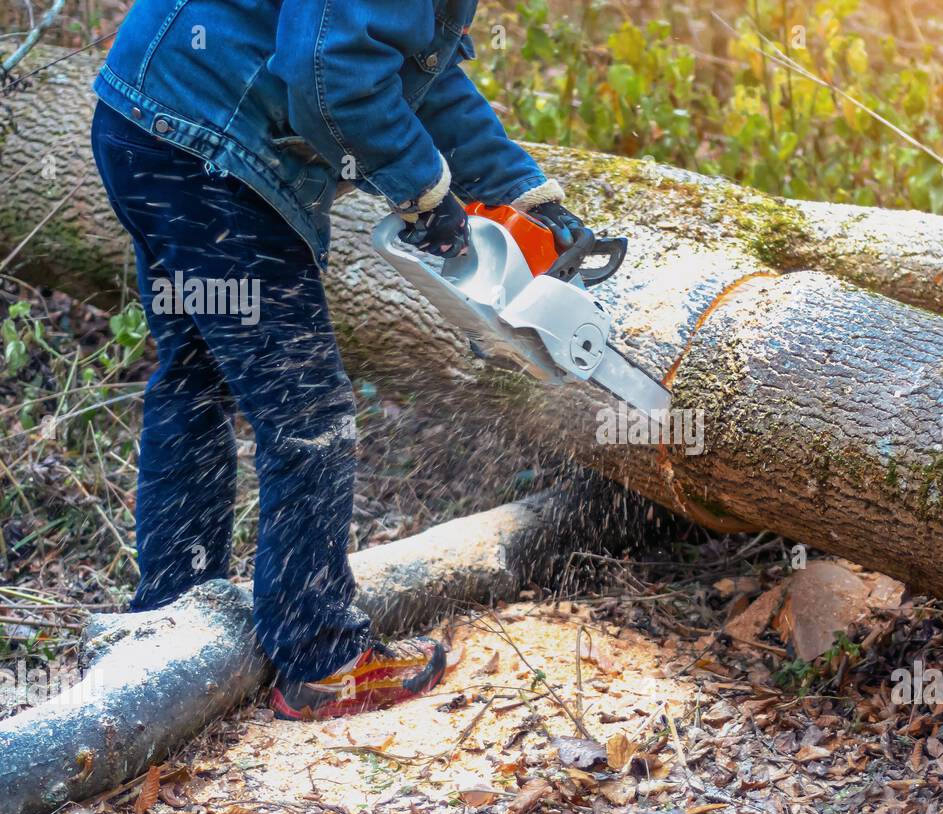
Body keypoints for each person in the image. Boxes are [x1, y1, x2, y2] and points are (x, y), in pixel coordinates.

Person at [90, 1, 586, 720]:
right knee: (308, 414)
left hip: (150, 118)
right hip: (207, 149)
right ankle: (321, 658)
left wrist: (519, 190)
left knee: (197, 375)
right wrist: (423, 190)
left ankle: (168, 617)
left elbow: (425, 71)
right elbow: (328, 75)